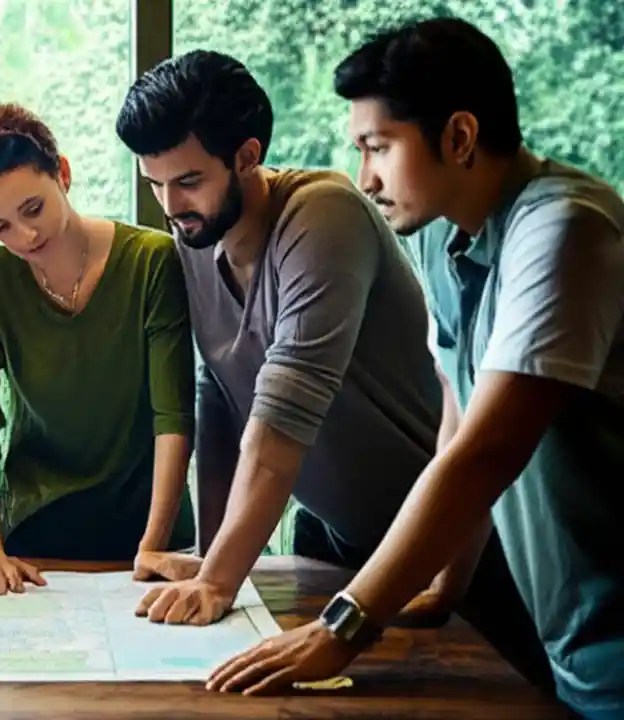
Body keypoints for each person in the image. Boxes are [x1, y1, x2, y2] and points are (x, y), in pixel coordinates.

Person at [205, 18, 624, 718]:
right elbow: (459, 425)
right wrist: (442, 589)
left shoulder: (564, 230)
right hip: (567, 638)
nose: (364, 177)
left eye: (379, 147)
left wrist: (346, 626)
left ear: (459, 137)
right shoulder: (441, 236)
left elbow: (489, 453)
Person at [115, 48, 549, 687]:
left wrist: (218, 579)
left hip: (455, 547)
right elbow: (223, 398)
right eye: (155, 183)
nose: (169, 205)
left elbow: (282, 414)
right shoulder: (197, 234)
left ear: (246, 155)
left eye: (187, 181)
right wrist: (210, 557)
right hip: (339, 541)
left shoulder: (324, 215)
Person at [0, 102, 196, 594]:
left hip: (150, 530)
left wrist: (154, 544)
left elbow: (174, 416)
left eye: (32, 209)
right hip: (33, 537)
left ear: (62, 173)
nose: (25, 235)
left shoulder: (151, 260)